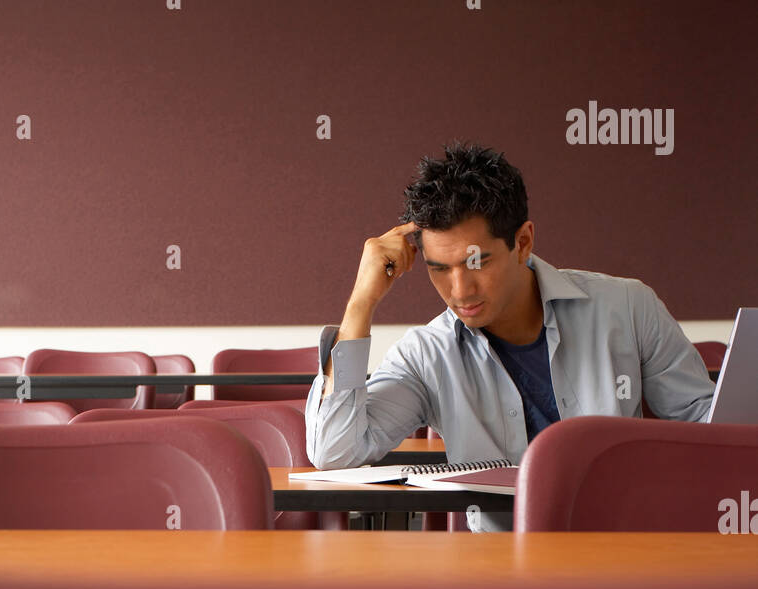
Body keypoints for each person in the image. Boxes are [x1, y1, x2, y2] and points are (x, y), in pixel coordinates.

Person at [305, 142, 714, 531]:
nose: (460, 291)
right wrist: (362, 301)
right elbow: (334, 451)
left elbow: (708, 424)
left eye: (477, 262)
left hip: (628, 554)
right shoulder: (426, 356)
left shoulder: (628, 307)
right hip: (500, 572)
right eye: (439, 269)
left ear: (523, 242)